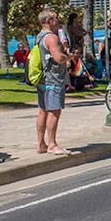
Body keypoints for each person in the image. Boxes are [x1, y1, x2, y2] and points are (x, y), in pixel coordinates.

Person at [35, 8, 74, 154]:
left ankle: (41, 144)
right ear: (48, 21)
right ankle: (52, 144)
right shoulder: (52, 38)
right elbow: (58, 58)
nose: (58, 20)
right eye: (56, 18)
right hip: (53, 79)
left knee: (43, 111)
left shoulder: (40, 36)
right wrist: (68, 57)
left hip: (43, 79)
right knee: (54, 112)